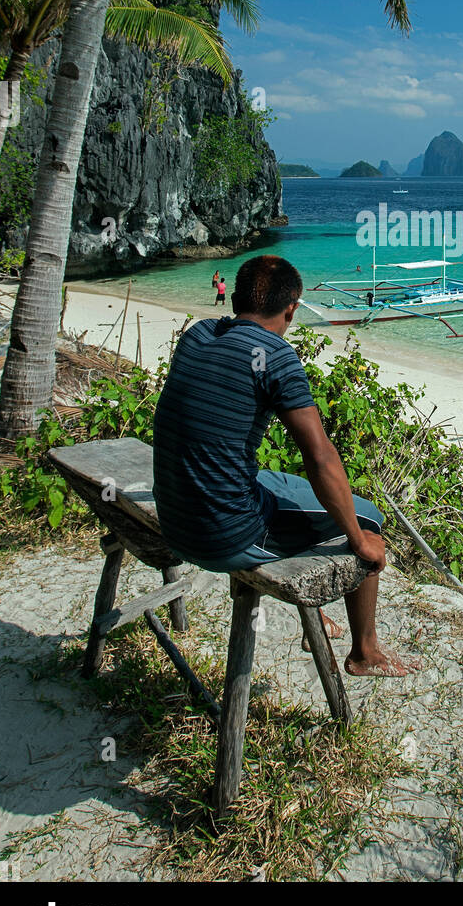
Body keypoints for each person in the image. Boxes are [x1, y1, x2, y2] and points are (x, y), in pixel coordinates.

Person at [153, 254, 420, 677]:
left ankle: (318, 618)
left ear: (234, 297)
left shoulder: (198, 334)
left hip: (173, 516)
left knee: (283, 484)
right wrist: (357, 537)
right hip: (225, 533)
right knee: (369, 518)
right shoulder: (275, 356)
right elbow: (320, 456)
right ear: (292, 309)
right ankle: (365, 653)